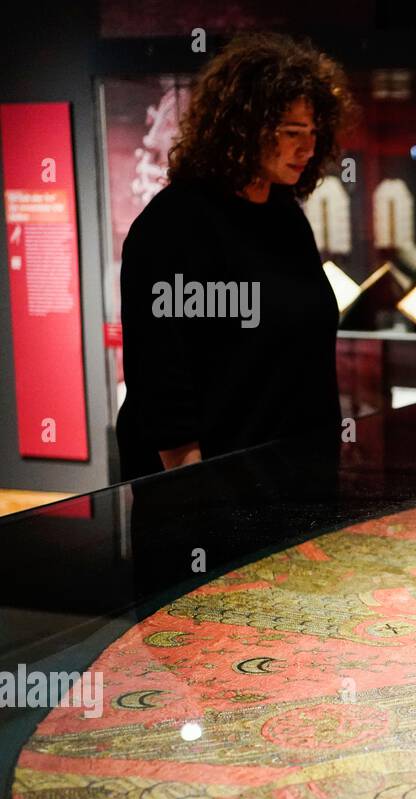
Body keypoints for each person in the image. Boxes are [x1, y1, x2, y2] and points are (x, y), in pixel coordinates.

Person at [115, 33, 356, 480]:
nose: (307, 148)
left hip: (294, 477)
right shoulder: (174, 224)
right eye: (291, 133)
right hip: (217, 489)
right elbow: (160, 373)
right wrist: (193, 489)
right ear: (243, 128)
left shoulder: (285, 216)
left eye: (314, 133)